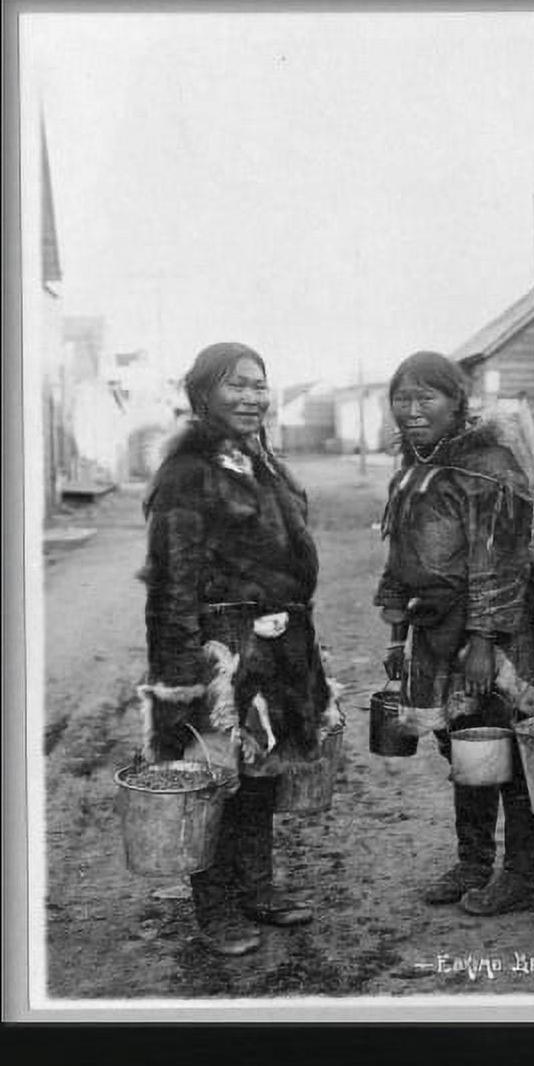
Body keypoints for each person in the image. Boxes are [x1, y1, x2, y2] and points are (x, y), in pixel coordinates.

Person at [139, 342, 340, 957]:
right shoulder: (187, 473)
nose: (253, 397)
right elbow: (172, 581)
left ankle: (257, 888)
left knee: (262, 771)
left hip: (276, 647)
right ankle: (216, 907)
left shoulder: (261, 462)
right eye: (236, 385)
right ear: (203, 393)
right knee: (213, 776)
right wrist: (183, 677)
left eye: (259, 384)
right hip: (220, 650)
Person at [375, 351, 534, 916]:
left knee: (511, 748)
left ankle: (520, 876)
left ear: (456, 401)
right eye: (402, 397)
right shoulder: (413, 468)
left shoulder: (490, 466)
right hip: (436, 631)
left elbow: (501, 559)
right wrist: (396, 636)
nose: (412, 409)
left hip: (496, 634)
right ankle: (473, 863)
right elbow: (400, 556)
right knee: (464, 746)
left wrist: (483, 641)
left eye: (426, 396)